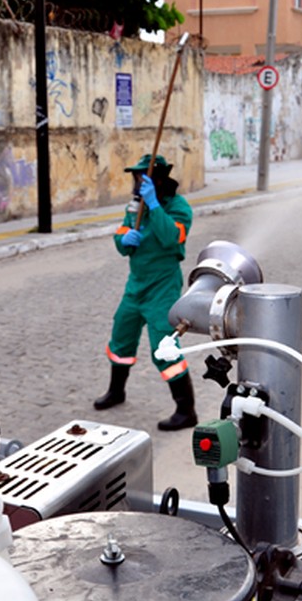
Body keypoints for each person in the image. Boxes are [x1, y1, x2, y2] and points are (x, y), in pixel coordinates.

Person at [93, 153, 197, 431]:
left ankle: (187, 410)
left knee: (164, 349)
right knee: (121, 337)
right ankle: (117, 391)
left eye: (142, 177)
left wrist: (154, 206)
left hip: (163, 287)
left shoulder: (179, 207)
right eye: (136, 177)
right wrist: (123, 239)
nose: (137, 182)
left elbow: (172, 238)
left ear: (158, 180)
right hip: (136, 284)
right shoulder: (134, 206)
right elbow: (121, 235)